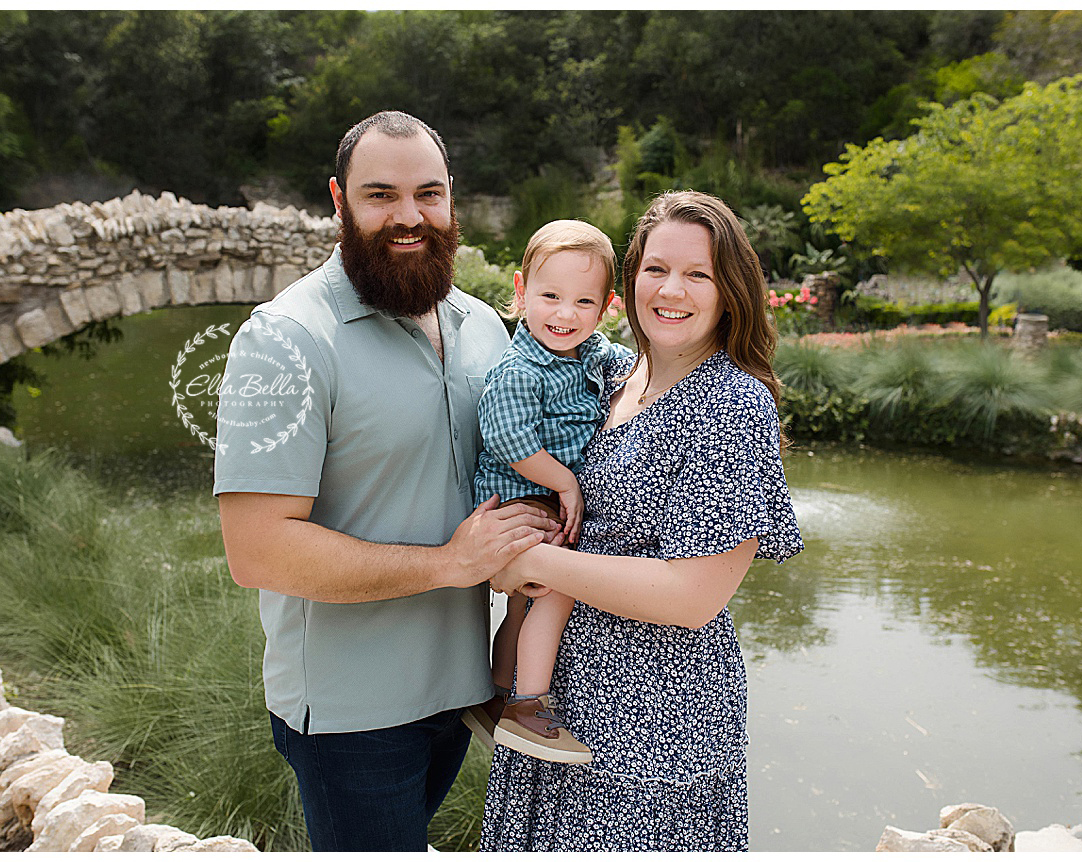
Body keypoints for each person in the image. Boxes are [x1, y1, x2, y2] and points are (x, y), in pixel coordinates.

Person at [213, 110, 557, 852]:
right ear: (338, 200)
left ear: (452, 198)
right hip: (350, 712)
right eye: (381, 196)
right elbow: (257, 551)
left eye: (429, 194)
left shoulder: (485, 327)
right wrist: (451, 564)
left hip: (465, 691)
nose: (410, 217)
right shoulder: (285, 340)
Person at [480, 190, 804, 851]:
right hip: (552, 703)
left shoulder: (732, 405)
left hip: (653, 718)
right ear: (629, 282)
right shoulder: (612, 376)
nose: (671, 289)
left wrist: (530, 560)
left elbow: (693, 597)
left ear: (730, 289)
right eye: (655, 269)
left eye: (698, 273)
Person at [460, 220, 630, 764]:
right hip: (521, 499)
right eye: (549, 296)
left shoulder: (589, 353)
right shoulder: (521, 369)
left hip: (547, 497)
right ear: (520, 291)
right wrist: (567, 482)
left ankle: (496, 692)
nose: (564, 314)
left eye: (583, 301)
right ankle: (529, 705)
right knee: (557, 589)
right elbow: (509, 439)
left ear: (606, 306)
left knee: (521, 610)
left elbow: (628, 368)